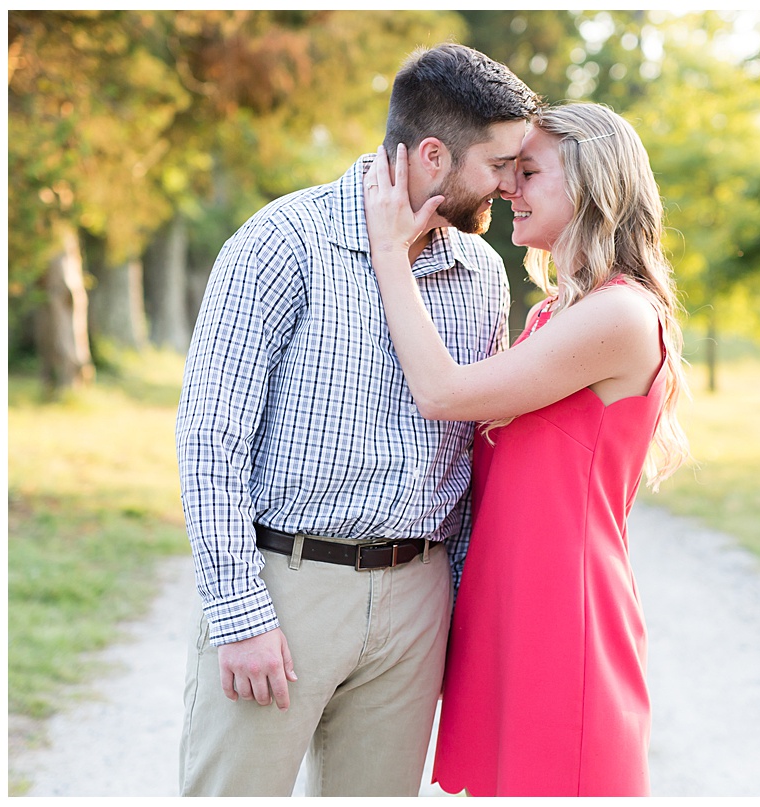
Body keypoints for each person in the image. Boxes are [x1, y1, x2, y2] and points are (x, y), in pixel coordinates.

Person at [174, 43, 540, 797]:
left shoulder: (479, 275)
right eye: (500, 164)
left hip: (418, 599)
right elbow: (210, 439)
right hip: (288, 583)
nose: (510, 186)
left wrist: (459, 607)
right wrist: (240, 615)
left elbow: (469, 457)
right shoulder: (283, 242)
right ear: (433, 154)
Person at [362, 101, 690, 796]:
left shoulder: (620, 314)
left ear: (592, 185)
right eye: (509, 170)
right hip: (504, 602)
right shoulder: (551, 313)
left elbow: (445, 393)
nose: (508, 187)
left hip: (563, 613)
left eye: (529, 171)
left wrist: (389, 252)